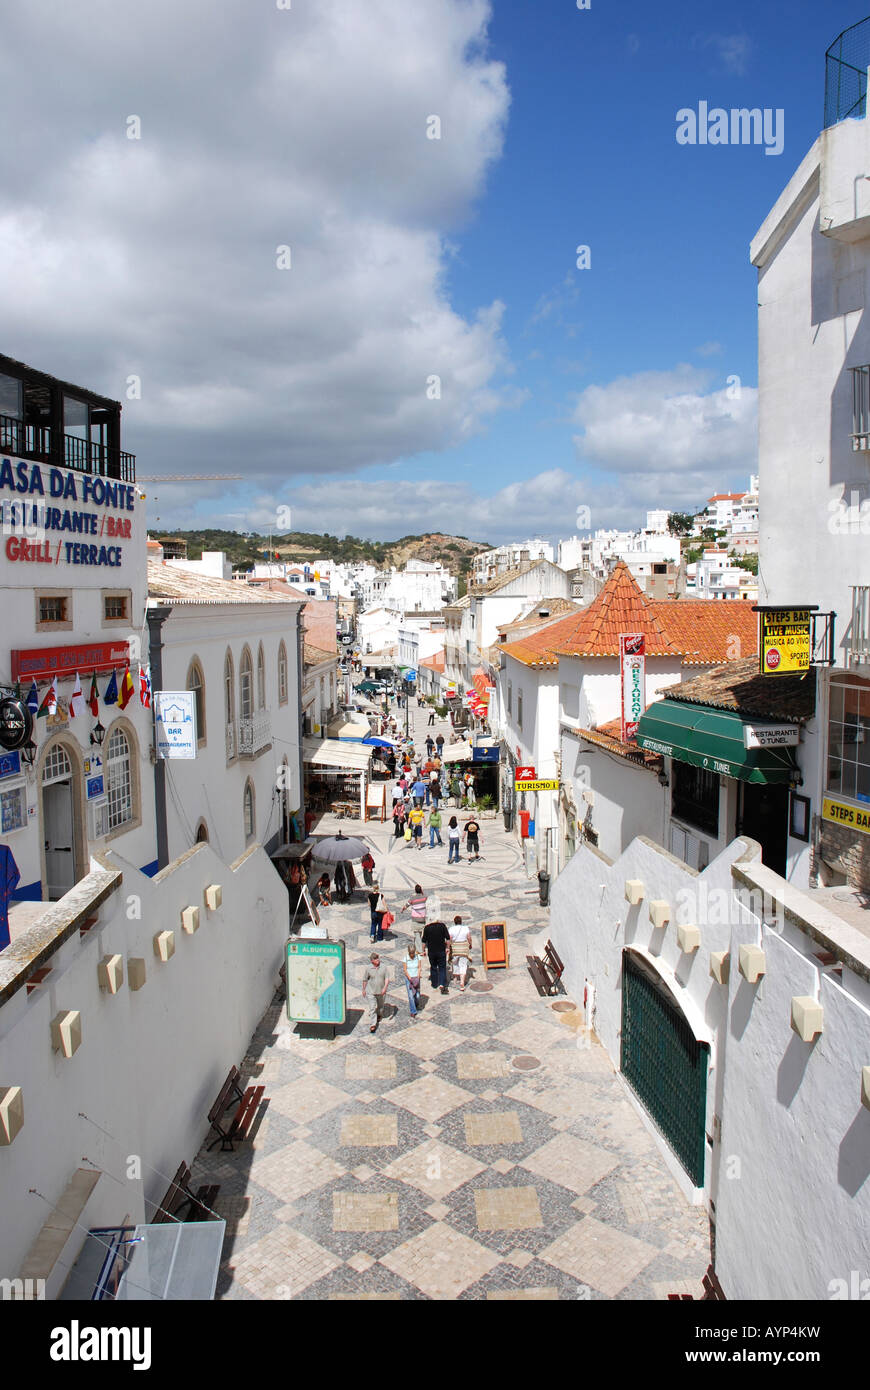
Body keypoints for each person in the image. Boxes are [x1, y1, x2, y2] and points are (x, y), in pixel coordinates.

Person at [362, 951, 390, 1032]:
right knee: (372, 1008)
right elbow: (365, 979)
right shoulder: (368, 968)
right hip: (371, 992)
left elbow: (387, 978)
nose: (377, 960)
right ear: (372, 961)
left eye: (378, 958)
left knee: (380, 1006)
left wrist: (385, 988)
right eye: (375, 959)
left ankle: (379, 1015)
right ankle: (373, 1024)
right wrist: (363, 989)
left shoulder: (384, 967)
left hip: (381, 991)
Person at [421, 917, 451, 994]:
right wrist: (447, 948)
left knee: (433, 967)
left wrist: (423, 950)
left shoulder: (427, 928)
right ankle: (442, 983)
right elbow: (447, 938)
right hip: (441, 950)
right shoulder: (442, 926)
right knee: (442, 967)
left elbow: (424, 941)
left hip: (432, 952)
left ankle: (434, 984)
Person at [449, 915, 472, 992]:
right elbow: (469, 937)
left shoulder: (451, 929)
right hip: (463, 949)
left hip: (455, 949)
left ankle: (455, 978)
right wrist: (470, 944)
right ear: (461, 921)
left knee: (455, 963)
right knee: (463, 965)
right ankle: (462, 982)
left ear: (454, 922)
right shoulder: (465, 928)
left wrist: (448, 947)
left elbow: (449, 939)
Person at [402, 942, 422, 1019]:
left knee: (417, 995)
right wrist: (409, 978)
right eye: (411, 953)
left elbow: (419, 967)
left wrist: (418, 975)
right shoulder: (405, 959)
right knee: (411, 996)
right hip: (409, 978)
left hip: (416, 978)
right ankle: (413, 1011)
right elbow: (405, 969)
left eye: (413, 953)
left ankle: (416, 1004)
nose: (412, 955)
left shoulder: (418, 957)